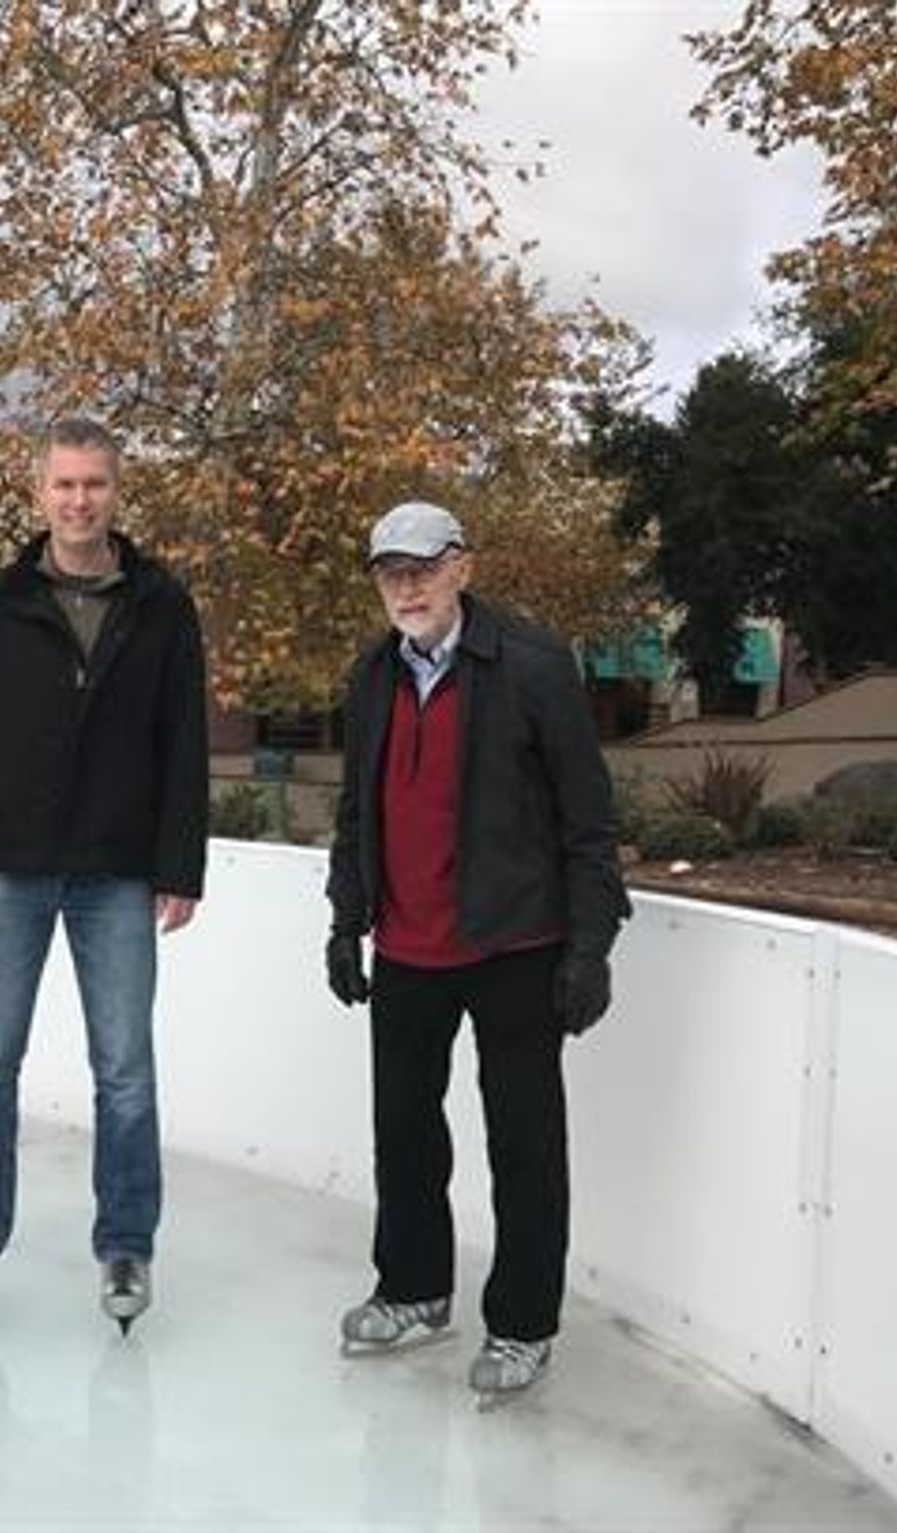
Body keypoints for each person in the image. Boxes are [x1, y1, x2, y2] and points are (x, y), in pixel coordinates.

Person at [0, 415, 209, 1334]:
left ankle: (127, 1244)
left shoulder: (162, 605)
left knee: (125, 1071)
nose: (80, 500)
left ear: (117, 491)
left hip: (118, 871)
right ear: (40, 492)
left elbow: (184, 741)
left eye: (95, 484)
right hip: (14, 866)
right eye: (65, 484)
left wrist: (180, 863)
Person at [325, 501, 631, 1396]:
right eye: (391, 572)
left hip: (515, 945)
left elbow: (588, 816)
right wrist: (347, 920)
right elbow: (357, 813)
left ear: (462, 566)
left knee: (524, 1145)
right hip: (407, 946)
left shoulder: (531, 665)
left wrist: (590, 946)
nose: (408, 587)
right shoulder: (373, 675)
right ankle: (414, 1288)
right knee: (405, 1135)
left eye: (423, 568)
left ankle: (524, 1324)